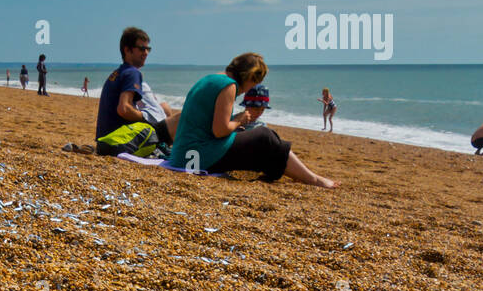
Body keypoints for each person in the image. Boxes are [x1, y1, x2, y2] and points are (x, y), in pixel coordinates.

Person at [169, 53, 337, 188]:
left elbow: (209, 123)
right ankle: (313, 179)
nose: (249, 89)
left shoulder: (210, 79)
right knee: (265, 137)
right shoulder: (229, 86)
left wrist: (235, 122)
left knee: (263, 140)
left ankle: (306, 175)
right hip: (197, 157)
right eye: (254, 83)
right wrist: (240, 120)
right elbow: (219, 130)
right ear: (249, 77)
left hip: (183, 154)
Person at [95, 27, 182, 157]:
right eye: (141, 49)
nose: (146, 53)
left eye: (148, 49)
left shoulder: (119, 72)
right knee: (181, 118)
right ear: (127, 50)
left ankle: (163, 146)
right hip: (120, 141)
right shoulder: (132, 73)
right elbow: (123, 109)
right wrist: (146, 120)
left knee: (164, 107)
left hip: (106, 141)